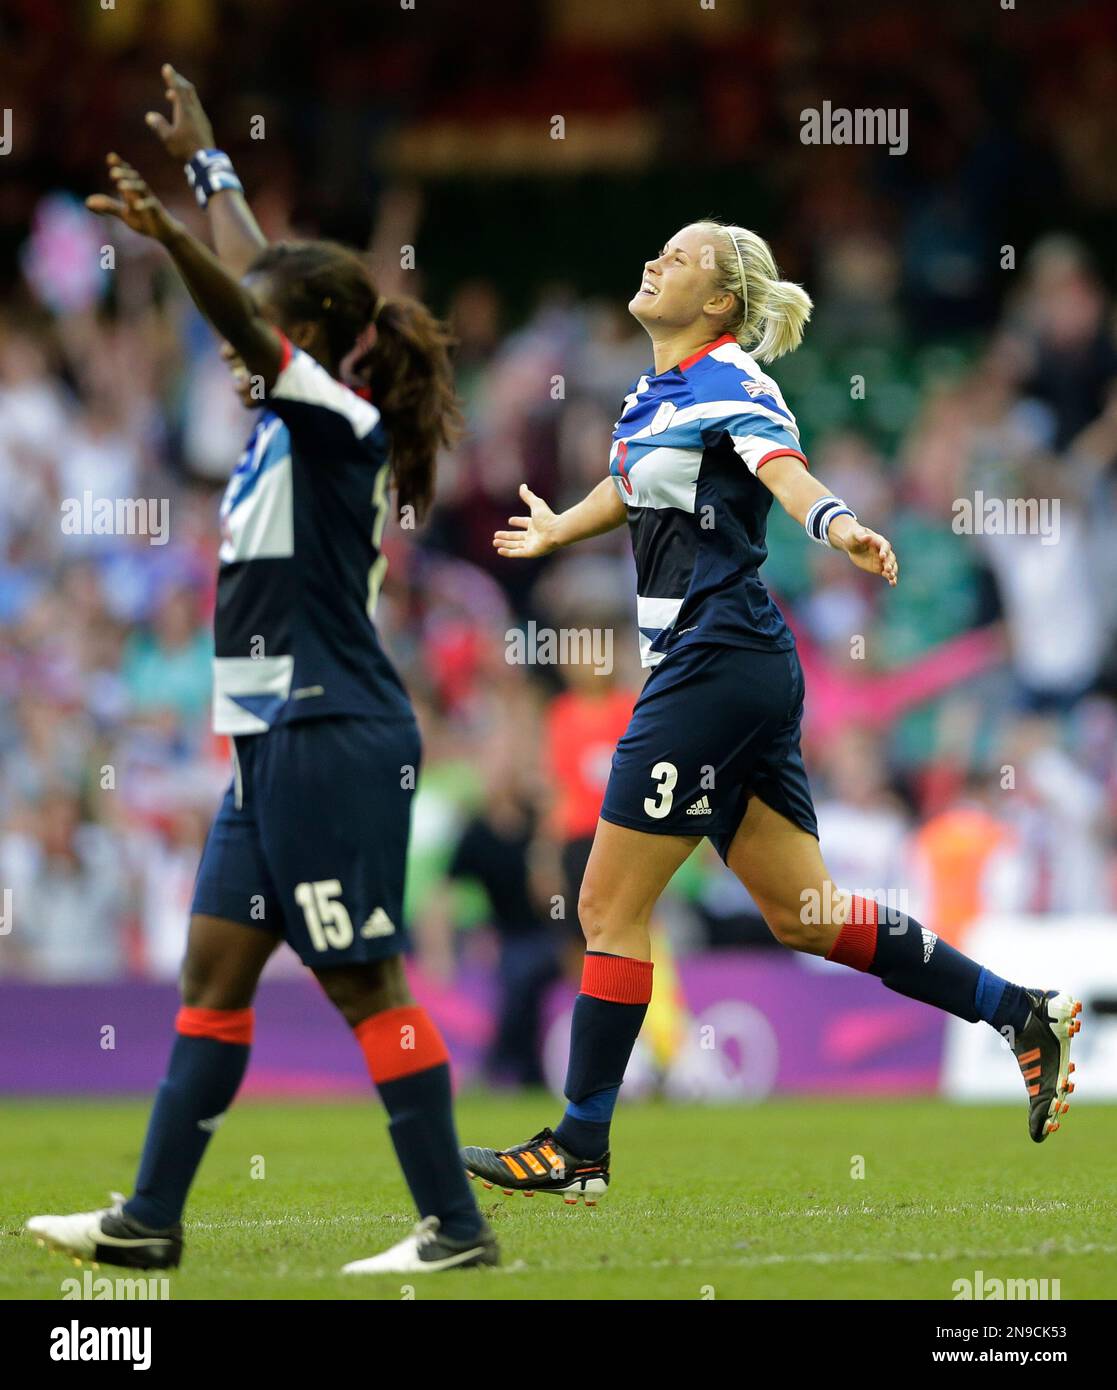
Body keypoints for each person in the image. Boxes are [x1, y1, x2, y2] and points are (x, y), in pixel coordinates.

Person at [461, 221, 1082, 1204]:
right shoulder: (655, 392)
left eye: (681, 255)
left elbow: (781, 469)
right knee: (807, 912)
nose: (655, 258)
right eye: (656, 246)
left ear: (717, 302)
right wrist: (560, 526)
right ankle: (1020, 1012)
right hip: (736, 667)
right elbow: (630, 486)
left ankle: (580, 1145)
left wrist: (837, 524)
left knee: (605, 909)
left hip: (715, 660)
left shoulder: (734, 381)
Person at [26, 67, 497, 1275]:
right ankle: (150, 1219)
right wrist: (210, 165)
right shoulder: (309, 407)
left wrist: (174, 237)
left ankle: (455, 1225)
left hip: (328, 730)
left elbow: (246, 307)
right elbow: (273, 281)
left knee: (358, 981)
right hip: (266, 740)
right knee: (212, 969)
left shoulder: (336, 422)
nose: (247, 324)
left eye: (269, 319)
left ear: (310, 342)